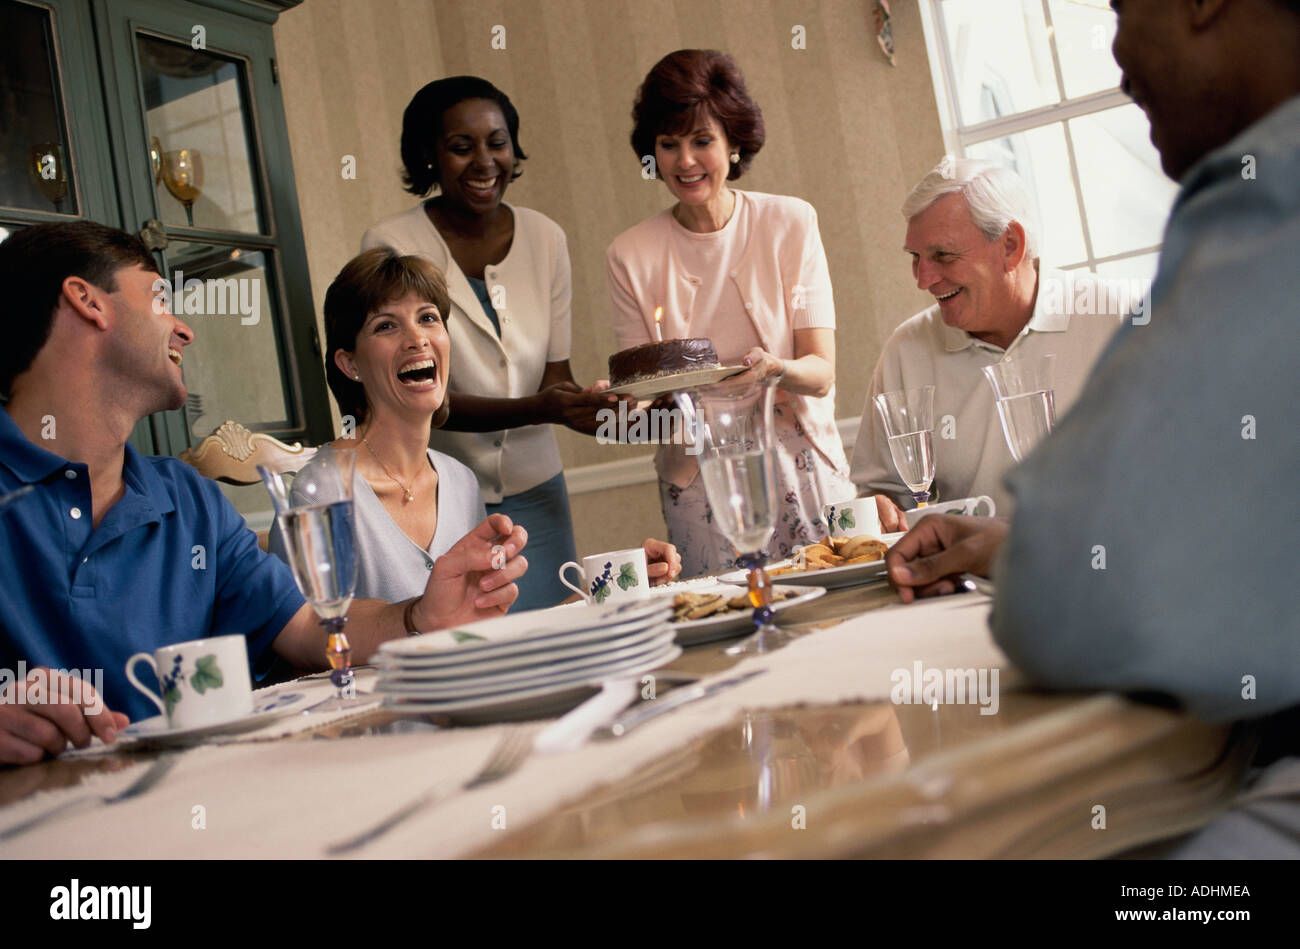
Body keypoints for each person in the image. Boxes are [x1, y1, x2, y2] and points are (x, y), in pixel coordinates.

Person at [887, 0, 1300, 856]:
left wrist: (1038, 550)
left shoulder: (1267, 195)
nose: (1115, 59)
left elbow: (1065, 602)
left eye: (1116, 7)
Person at [0, 222, 527, 764]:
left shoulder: (188, 500)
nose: (184, 331)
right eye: (160, 299)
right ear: (87, 302)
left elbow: (305, 626)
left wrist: (421, 616)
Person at [273, 246, 681, 602]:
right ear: (350, 364)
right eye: (386, 325)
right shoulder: (321, 491)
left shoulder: (460, 482)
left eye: (428, 318)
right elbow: (302, 641)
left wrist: (624, 581)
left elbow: (483, 633)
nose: (417, 339)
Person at [361, 76, 613, 610]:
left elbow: (553, 377)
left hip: (539, 490)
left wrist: (585, 406)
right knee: (475, 652)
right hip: (440, 498)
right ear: (428, 156)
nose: (484, 161)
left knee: (559, 645)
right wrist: (543, 408)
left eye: (497, 143)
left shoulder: (547, 237)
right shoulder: (392, 244)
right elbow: (419, 395)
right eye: (461, 147)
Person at [606, 49, 853, 575]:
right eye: (668, 145)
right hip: (698, 475)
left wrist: (777, 368)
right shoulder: (629, 254)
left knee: (831, 610)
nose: (684, 161)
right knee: (725, 626)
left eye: (702, 141)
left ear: (734, 142)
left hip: (798, 459)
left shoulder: (790, 224)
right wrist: (621, 413)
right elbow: (643, 406)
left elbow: (822, 372)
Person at [850, 159, 1126, 528]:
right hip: (968, 582)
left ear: (1010, 246)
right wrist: (879, 509)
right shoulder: (906, 350)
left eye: (942, 255)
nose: (923, 279)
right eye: (915, 258)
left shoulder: (1119, 317)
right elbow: (878, 492)